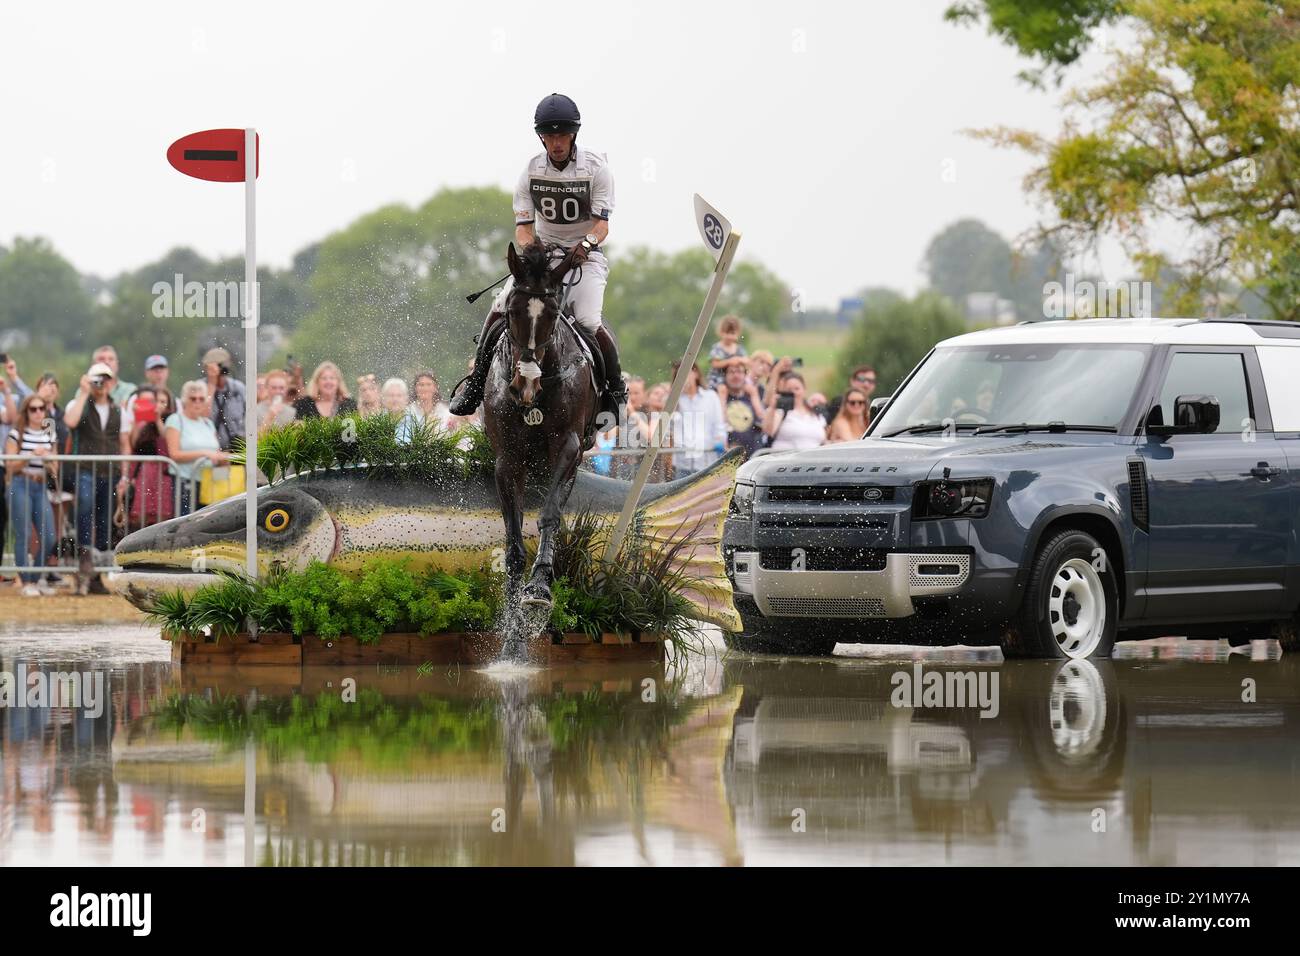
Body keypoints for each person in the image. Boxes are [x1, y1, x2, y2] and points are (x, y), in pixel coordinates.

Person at [448, 92, 627, 419]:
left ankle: (615, 391)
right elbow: (523, 229)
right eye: (549, 136)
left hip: (584, 256)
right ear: (541, 137)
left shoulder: (598, 169)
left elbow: (602, 226)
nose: (556, 143)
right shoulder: (530, 171)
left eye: (561, 135)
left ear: (573, 135)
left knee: (588, 319)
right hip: (543, 256)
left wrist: (584, 246)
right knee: (500, 307)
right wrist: (533, 257)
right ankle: (475, 386)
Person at [62, 362, 121, 588]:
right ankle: (85, 556)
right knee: (85, 510)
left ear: (111, 382)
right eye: (97, 379)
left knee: (105, 519)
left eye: (105, 379)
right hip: (85, 469)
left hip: (111, 471)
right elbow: (70, 421)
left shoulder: (118, 409)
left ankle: (97, 573)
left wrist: (124, 476)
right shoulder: (80, 404)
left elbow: (122, 442)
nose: (101, 384)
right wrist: (84, 391)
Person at [4, 394, 58, 595]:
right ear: (26, 412)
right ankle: (26, 581)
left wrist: (48, 459)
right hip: (20, 483)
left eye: (41, 408)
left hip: (40, 485)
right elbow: (10, 466)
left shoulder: (49, 435)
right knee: (24, 534)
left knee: (49, 536)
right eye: (33, 409)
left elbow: (55, 470)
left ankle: (35, 578)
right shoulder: (16, 434)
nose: (37, 413)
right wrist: (29, 456)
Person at [165, 381, 229, 516]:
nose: (197, 402)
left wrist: (223, 459)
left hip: (210, 481)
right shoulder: (176, 420)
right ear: (185, 400)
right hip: (185, 482)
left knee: (209, 522)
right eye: (193, 399)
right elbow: (174, 454)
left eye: (201, 399)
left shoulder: (208, 423)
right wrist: (204, 454)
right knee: (185, 524)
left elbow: (215, 452)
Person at [669, 360, 727, 476]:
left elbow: (718, 425)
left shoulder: (710, 396)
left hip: (707, 462)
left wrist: (720, 443)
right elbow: (669, 428)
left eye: (686, 373)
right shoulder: (674, 400)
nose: (684, 378)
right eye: (679, 375)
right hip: (683, 464)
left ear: (695, 373)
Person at [763, 367, 827, 451]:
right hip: (785, 460)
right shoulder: (779, 411)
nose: (794, 392)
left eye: (797, 388)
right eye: (789, 390)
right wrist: (772, 407)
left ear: (804, 389)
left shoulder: (816, 414)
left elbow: (823, 441)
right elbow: (768, 431)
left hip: (813, 460)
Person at [200, 347, 247, 451]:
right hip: (208, 450)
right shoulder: (200, 388)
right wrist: (211, 384)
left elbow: (248, 415)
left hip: (235, 450)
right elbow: (202, 415)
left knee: (237, 468)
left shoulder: (238, 388)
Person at [717, 359, 765, 457]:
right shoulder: (720, 397)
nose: (736, 375)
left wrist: (754, 395)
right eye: (731, 372)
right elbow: (720, 422)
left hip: (752, 454)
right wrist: (722, 398)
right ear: (725, 376)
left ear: (745, 375)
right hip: (728, 456)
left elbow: (762, 420)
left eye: (739, 371)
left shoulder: (751, 395)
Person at [292, 361, 356, 420]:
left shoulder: (349, 404)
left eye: (332, 378)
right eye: (324, 378)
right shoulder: (304, 404)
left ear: (338, 382)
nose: (328, 381)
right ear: (317, 382)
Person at [707, 315, 748, 390]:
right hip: (719, 377)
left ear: (737, 334)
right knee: (723, 389)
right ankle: (722, 401)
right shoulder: (717, 348)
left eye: (732, 333)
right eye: (727, 333)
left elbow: (747, 360)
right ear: (721, 332)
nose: (729, 336)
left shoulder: (739, 348)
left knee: (749, 388)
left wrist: (738, 359)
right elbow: (715, 364)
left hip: (735, 376)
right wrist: (729, 362)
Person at [256, 369, 297, 435]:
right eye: (274, 388)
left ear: (286, 389)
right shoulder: (256, 410)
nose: (278, 391)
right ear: (266, 388)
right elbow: (255, 440)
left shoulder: (292, 412)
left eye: (281, 388)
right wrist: (269, 417)